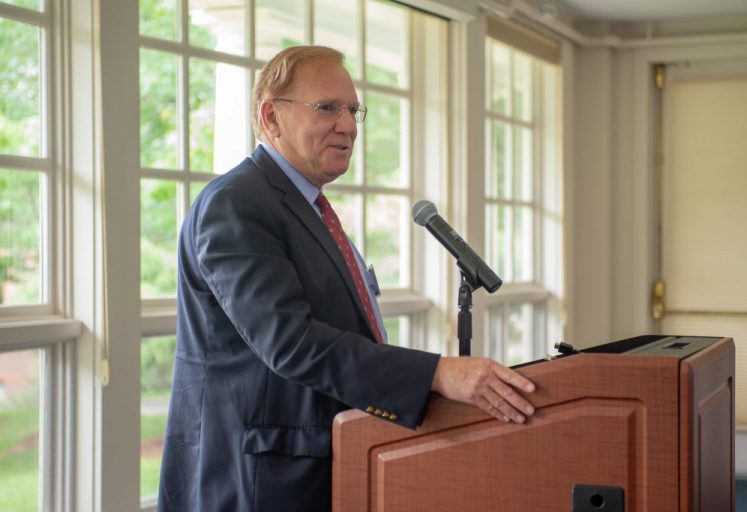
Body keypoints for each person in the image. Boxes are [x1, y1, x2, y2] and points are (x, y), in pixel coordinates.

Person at [158, 45, 536, 512]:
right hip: (259, 482)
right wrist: (437, 373)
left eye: (353, 110)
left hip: (331, 464)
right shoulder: (236, 203)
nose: (349, 125)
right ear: (271, 117)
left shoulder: (307, 206)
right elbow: (291, 343)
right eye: (327, 108)